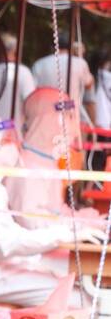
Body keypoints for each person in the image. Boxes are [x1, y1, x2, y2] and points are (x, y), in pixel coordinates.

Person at [0, 113, 99, 308]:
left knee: (71, 280)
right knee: (84, 300)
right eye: (6, 141)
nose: (15, 147)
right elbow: (8, 243)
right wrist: (64, 234)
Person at [7, 86, 98, 229]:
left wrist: (87, 219)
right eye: (68, 117)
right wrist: (77, 226)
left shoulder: (45, 161)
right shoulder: (27, 168)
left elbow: (53, 210)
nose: (74, 129)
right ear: (47, 120)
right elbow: (32, 223)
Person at [32, 34, 96, 124]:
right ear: (71, 46)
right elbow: (89, 83)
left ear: (52, 46)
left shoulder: (39, 64)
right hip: (70, 116)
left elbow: (32, 91)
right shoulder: (80, 63)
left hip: (45, 118)